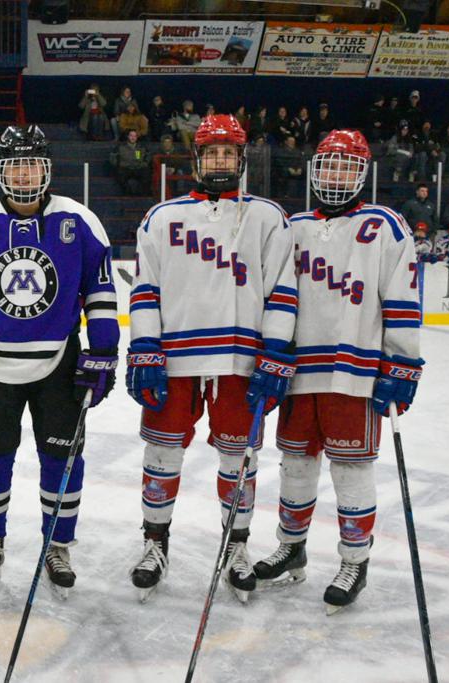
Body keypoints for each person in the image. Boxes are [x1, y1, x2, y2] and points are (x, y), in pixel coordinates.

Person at [0, 124, 118, 599]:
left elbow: (99, 292)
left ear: (47, 168)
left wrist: (103, 351)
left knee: (62, 458)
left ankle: (57, 545)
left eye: (32, 164)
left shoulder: (79, 220)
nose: (23, 175)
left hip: (58, 364)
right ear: (1, 171)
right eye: (15, 165)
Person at [125, 114, 296, 604]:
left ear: (241, 159)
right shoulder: (162, 217)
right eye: (212, 152)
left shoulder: (267, 217)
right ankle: (154, 544)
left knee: (238, 457)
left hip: (240, 362)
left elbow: (282, 289)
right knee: (161, 453)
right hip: (175, 359)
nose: (221, 160)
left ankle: (235, 547)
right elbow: (145, 290)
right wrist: (144, 348)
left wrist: (276, 354)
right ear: (197, 158)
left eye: (229, 152)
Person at [253, 129, 422, 615]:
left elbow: (403, 298)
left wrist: (403, 362)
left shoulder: (384, 225)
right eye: (329, 165)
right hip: (300, 371)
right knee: (296, 464)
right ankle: (292, 545)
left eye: (348, 167)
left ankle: (355, 560)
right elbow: (276, 296)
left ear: (363, 174)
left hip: (355, 371)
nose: (336, 175)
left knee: (351, 468)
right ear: (313, 170)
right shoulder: (295, 226)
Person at [110, 129, 150, 196]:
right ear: (128, 136)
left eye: (135, 136)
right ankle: (128, 194)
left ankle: (141, 194)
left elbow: (148, 156)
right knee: (120, 175)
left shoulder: (142, 147)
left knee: (146, 174)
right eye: (131, 135)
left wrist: (145, 163)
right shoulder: (120, 147)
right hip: (125, 168)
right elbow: (113, 157)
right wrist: (118, 164)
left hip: (139, 167)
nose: (133, 138)